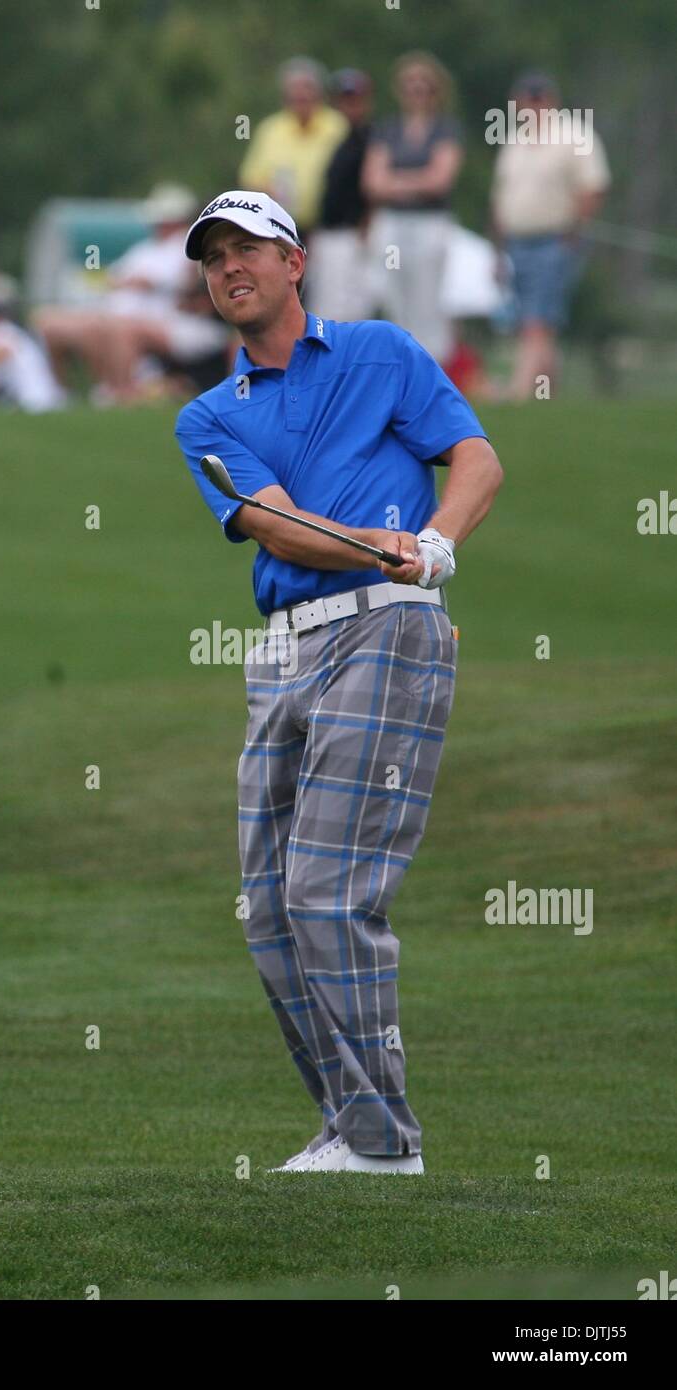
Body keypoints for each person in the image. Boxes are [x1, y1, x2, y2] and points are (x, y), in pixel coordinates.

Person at [174, 191, 502, 1174]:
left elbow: (476, 458)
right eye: (212, 257)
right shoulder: (206, 414)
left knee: (325, 894)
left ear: (293, 262)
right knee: (268, 911)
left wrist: (436, 543)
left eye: (247, 249)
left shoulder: (381, 352)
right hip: (282, 646)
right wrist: (382, 539)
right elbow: (272, 524)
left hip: (387, 625)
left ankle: (380, 1143)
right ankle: (348, 1126)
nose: (228, 267)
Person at [34, 184, 228, 403]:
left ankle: (122, 392)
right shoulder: (144, 249)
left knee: (117, 326)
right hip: (115, 313)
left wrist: (135, 284)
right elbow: (113, 280)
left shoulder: (187, 246)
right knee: (49, 322)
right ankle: (62, 394)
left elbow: (165, 283)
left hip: (162, 320)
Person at [490, 71, 611, 400]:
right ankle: (546, 394)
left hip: (555, 240)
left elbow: (594, 186)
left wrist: (573, 229)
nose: (533, 105)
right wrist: (498, 250)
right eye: (526, 99)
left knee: (537, 317)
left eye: (539, 98)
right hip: (517, 242)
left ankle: (519, 390)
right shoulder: (514, 142)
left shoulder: (574, 134)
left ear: (551, 101)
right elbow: (501, 196)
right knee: (533, 319)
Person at [360, 51, 464, 363]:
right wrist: (416, 181)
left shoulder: (445, 129)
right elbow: (372, 182)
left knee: (427, 297)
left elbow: (441, 180)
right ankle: (399, 363)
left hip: (429, 222)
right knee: (394, 295)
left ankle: (432, 363)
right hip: (393, 222)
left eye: (423, 86)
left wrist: (397, 182)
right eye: (410, 86)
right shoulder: (388, 130)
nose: (416, 93)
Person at [238, 58, 348, 237]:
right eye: (294, 89)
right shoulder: (270, 129)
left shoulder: (338, 126)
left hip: (331, 227)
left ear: (319, 92)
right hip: (281, 225)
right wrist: (269, 191)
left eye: (307, 87)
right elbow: (250, 178)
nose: (301, 94)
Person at [305, 68, 374, 321]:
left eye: (354, 99)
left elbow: (370, 188)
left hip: (352, 231)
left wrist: (368, 223)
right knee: (325, 304)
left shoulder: (369, 137)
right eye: (343, 99)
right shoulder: (332, 137)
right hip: (327, 230)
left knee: (351, 306)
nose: (348, 106)